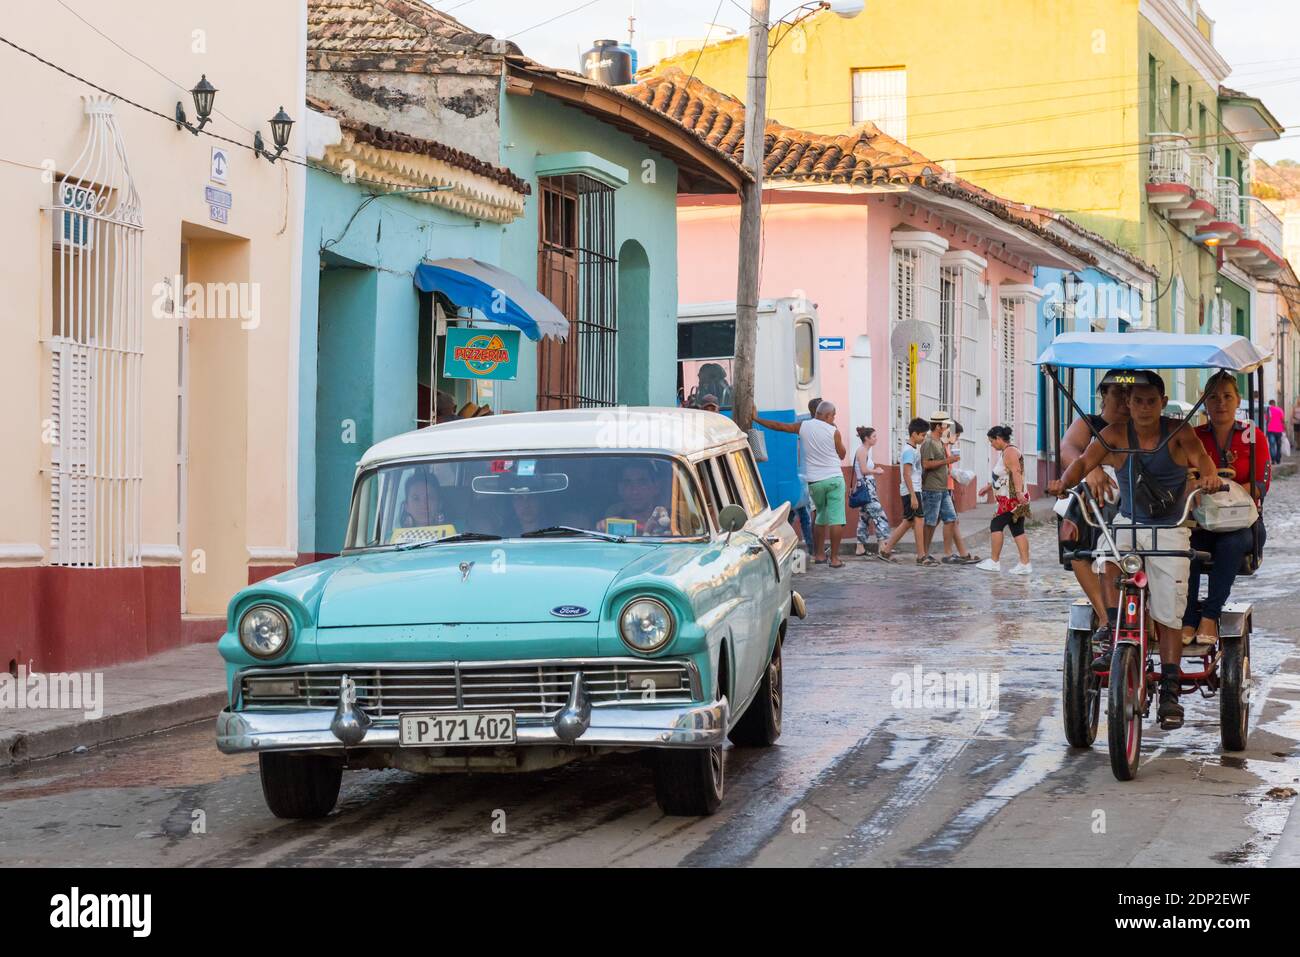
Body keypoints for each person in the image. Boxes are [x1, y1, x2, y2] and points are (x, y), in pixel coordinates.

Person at [1048, 370, 1221, 729]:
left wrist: (1209, 476)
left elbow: (1202, 458)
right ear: (1129, 403)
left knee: (1169, 608)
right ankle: (1112, 628)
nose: (1143, 407)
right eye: (1137, 401)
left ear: (1161, 402)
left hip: (1171, 528)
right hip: (1129, 522)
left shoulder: (1178, 432)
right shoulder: (1112, 434)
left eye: (1151, 401)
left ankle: (1170, 686)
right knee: (1107, 552)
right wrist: (1064, 482)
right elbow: (1083, 461)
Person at [1181, 371, 1270, 645]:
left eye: (1227, 396)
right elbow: (1183, 475)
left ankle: (1210, 614)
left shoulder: (1252, 436)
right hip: (1203, 520)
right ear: (1203, 402)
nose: (1220, 403)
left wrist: (1224, 487)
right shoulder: (1193, 436)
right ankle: (1187, 618)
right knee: (1187, 545)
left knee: (1231, 544)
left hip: (1242, 522)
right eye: (1213, 397)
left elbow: (1260, 483)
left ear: (1237, 400)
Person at [1057, 372, 1131, 657]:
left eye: (1131, 394)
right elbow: (1069, 448)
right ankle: (1105, 616)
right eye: (1118, 393)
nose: (1125, 400)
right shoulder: (1089, 423)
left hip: (1136, 494)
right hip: (1098, 495)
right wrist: (1092, 470)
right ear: (1104, 395)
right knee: (1077, 544)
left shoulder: (1144, 425)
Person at [756, 400, 848, 567]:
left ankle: (819, 555)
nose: (834, 418)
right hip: (834, 478)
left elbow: (779, 426)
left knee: (820, 516)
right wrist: (836, 434)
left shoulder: (803, 426)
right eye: (833, 415)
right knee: (837, 519)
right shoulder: (833, 431)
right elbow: (842, 454)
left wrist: (757, 419)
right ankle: (834, 559)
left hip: (815, 482)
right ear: (828, 415)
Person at [976, 426, 1033, 575]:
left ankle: (994, 561)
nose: (991, 444)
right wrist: (988, 488)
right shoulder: (1007, 452)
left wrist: (1019, 493)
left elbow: (1016, 471)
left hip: (1011, 499)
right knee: (1017, 529)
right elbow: (1002, 475)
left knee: (996, 524)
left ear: (999, 438)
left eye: (992, 441)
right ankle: (1025, 564)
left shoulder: (1010, 452)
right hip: (1012, 498)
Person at [878, 417, 930, 565]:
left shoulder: (913, 450)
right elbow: (906, 474)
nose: (923, 438)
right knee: (919, 520)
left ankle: (886, 550)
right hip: (911, 490)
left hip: (913, 489)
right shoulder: (909, 451)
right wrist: (913, 495)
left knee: (908, 522)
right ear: (914, 434)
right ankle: (921, 556)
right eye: (922, 435)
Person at [939, 420, 979, 564]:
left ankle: (962, 553)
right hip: (941, 487)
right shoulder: (941, 446)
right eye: (956, 435)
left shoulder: (946, 447)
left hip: (948, 486)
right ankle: (947, 553)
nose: (956, 439)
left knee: (952, 520)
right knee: (948, 520)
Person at [598, 461, 671, 536]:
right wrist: (602, 528)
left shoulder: (673, 523)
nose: (635, 491)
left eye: (642, 483)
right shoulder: (610, 526)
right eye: (627, 483)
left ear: (656, 487)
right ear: (620, 489)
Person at [851, 426, 893, 556]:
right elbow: (863, 470)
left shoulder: (865, 451)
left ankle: (860, 547)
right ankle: (883, 545)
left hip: (866, 486)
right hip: (866, 486)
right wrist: (876, 471)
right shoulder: (862, 451)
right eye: (873, 436)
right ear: (866, 438)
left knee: (864, 517)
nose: (876, 439)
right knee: (880, 515)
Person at [1266, 399, 1286, 464]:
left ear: (1269, 404)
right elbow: (1282, 420)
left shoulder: (1268, 410)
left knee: (1272, 445)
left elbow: (1266, 419)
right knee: (1278, 445)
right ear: (1275, 403)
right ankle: (1278, 459)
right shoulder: (1279, 410)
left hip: (1270, 430)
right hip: (1279, 430)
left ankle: (1273, 459)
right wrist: (1284, 428)